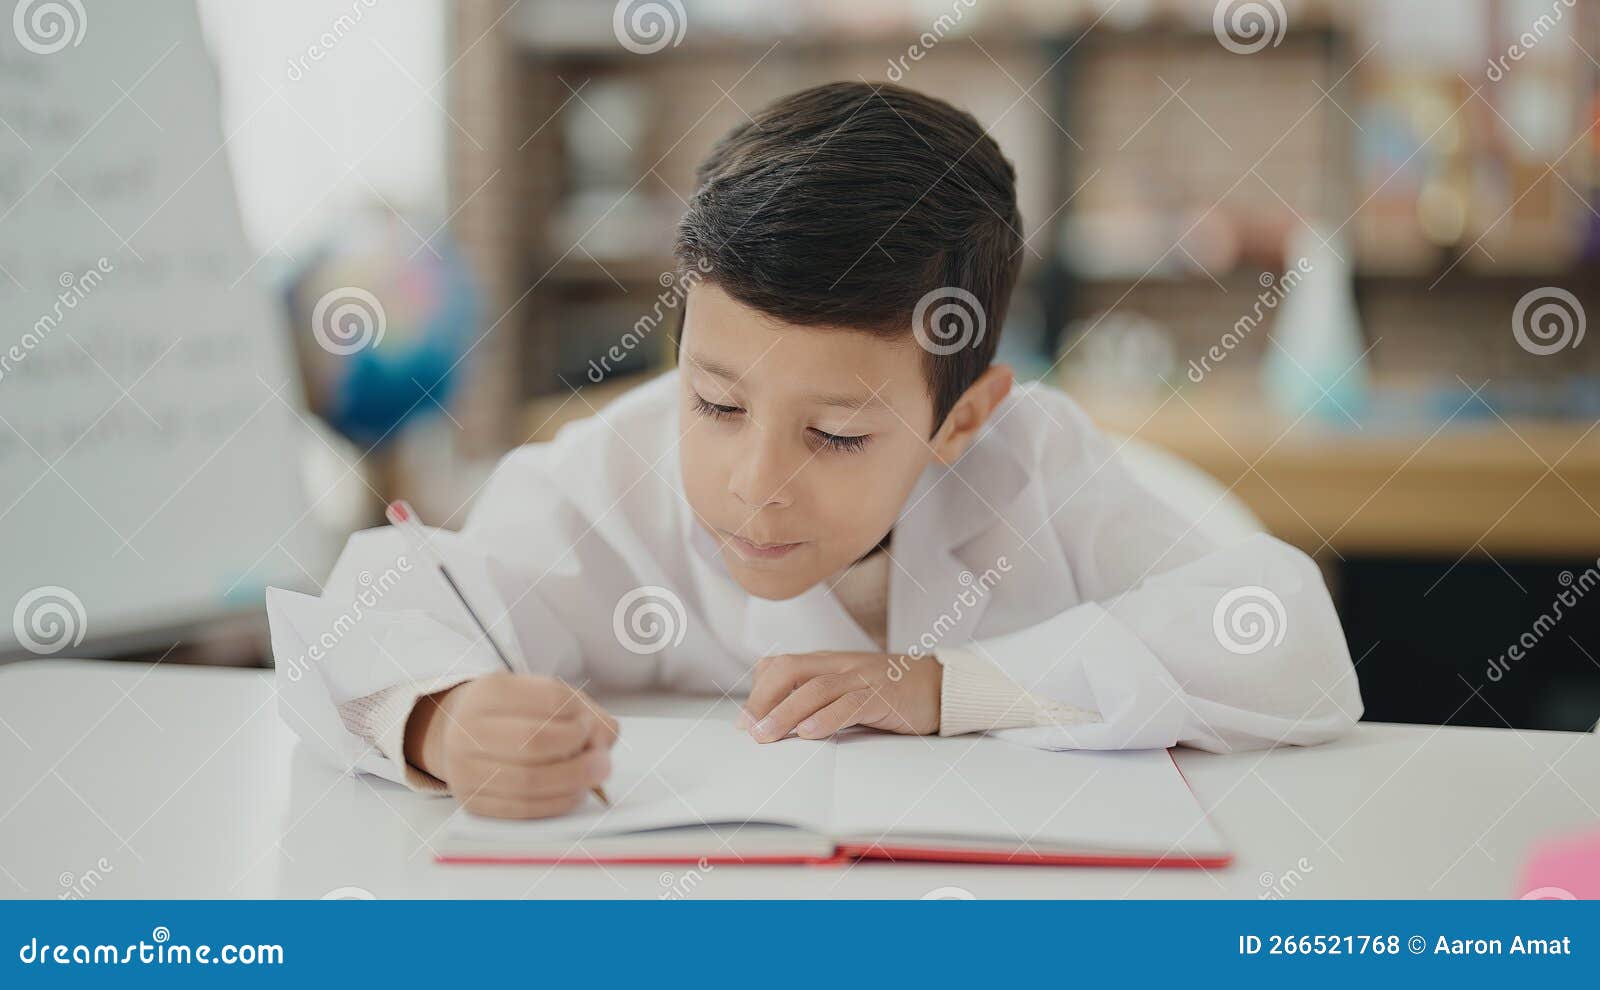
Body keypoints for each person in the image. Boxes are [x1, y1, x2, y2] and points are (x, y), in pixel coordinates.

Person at [267, 81, 1361, 820]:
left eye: (835, 434)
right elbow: (380, 603)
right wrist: (440, 720)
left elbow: (1280, 636)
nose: (753, 486)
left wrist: (945, 688)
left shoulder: (1029, 466)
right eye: (716, 402)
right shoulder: (612, 473)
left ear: (961, 419)